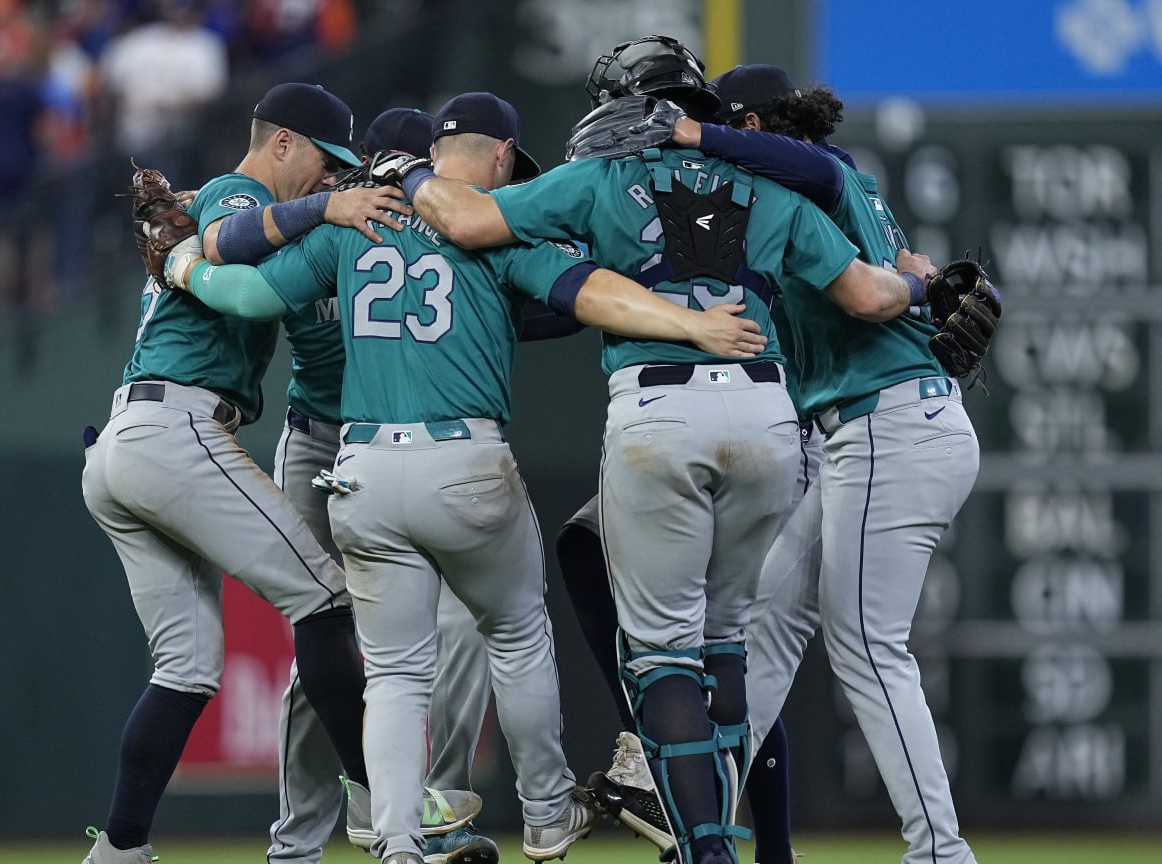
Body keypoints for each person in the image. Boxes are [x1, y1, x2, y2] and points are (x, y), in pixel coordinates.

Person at [160, 90, 772, 864]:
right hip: (466, 462)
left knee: (391, 674)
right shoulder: (487, 227)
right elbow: (584, 294)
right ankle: (547, 815)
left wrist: (185, 263)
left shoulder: (350, 224)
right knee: (514, 635)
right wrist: (689, 321)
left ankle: (397, 841)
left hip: (362, 467)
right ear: (500, 156)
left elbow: (245, 290)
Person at [389, 37, 931, 864]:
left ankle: (706, 849)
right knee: (726, 641)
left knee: (662, 654)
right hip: (767, 415)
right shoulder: (771, 184)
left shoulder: (601, 178)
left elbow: (463, 218)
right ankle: (746, 844)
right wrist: (920, 283)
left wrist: (413, 175)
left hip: (660, 409)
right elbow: (867, 293)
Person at [79, 82, 478, 864]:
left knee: (187, 669)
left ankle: (121, 849)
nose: (328, 178)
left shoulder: (251, 214)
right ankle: (392, 802)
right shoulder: (239, 190)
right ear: (283, 142)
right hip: (178, 429)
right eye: (322, 161)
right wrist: (325, 213)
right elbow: (232, 237)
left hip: (125, 441)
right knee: (326, 600)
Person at [669, 64, 984, 864]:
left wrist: (691, 133)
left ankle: (940, 853)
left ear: (752, 123)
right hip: (879, 430)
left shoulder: (819, 172)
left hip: (888, 427)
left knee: (870, 647)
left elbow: (807, 161)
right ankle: (702, 829)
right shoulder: (849, 186)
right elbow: (917, 274)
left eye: (732, 125)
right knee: (766, 621)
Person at [213, 101, 499, 864]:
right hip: (320, 441)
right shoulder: (326, 218)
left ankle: (434, 809)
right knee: (325, 639)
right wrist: (190, 249)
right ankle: (298, 845)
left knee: (466, 629)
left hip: (419, 439)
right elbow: (236, 263)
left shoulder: (449, 230)